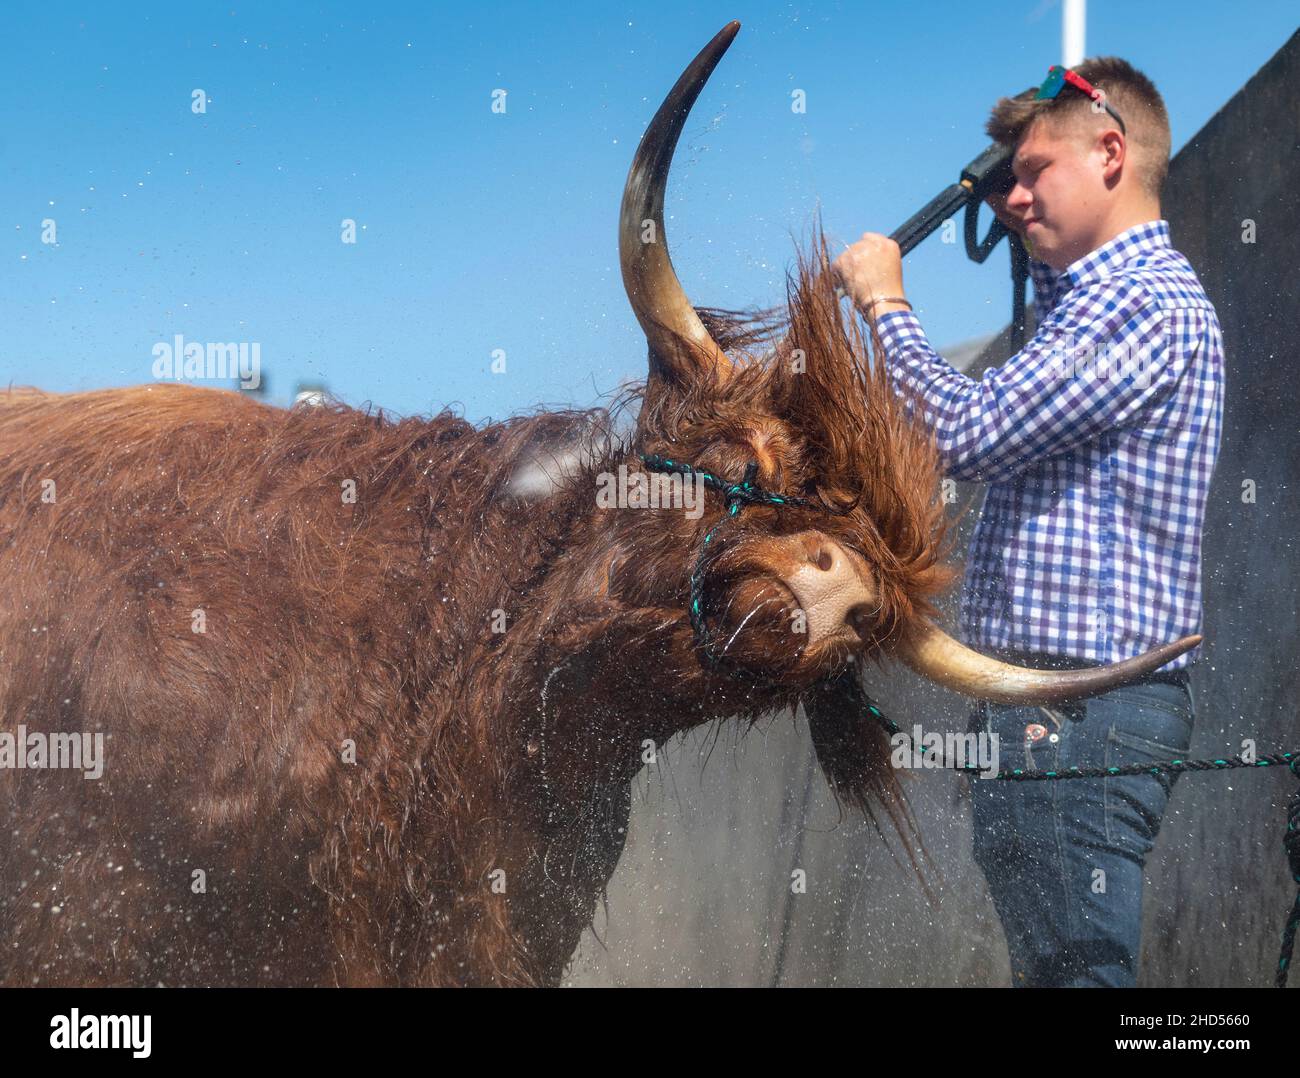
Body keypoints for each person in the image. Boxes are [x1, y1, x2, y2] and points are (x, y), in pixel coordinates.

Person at [833, 58, 1224, 987]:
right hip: (1064, 709)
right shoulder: (1087, 309)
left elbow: (961, 433)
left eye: (1033, 168)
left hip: (1077, 710)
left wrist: (886, 300)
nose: (1011, 196)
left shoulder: (1143, 302)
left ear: (1111, 154)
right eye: (1004, 177)